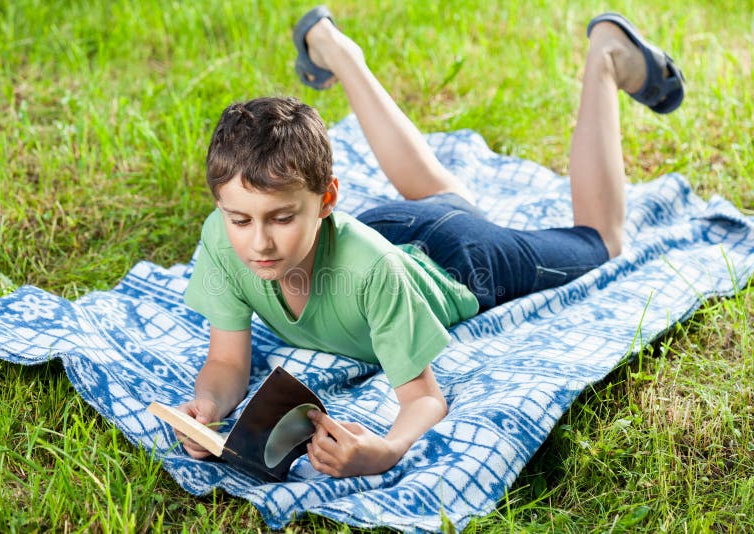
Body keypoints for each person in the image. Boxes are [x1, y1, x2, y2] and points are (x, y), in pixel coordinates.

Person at [174, 7, 685, 478]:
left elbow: (424, 400)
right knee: (443, 197)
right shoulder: (224, 238)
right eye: (240, 219)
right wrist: (208, 407)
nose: (258, 242)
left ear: (327, 200)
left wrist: (386, 449)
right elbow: (226, 363)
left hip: (460, 260)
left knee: (601, 242)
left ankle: (606, 56)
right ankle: (335, 50)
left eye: (281, 217)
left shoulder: (370, 271)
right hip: (387, 227)